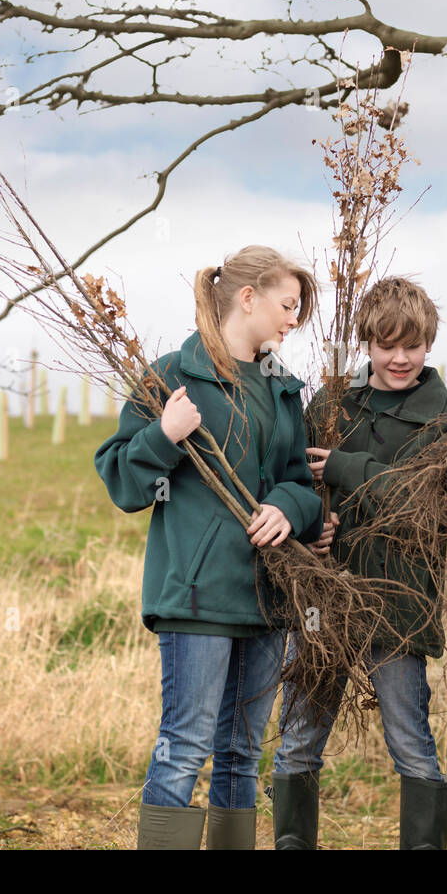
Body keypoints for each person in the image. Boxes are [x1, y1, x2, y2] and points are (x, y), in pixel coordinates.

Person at [93, 245, 325, 850]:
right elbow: (122, 480)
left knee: (242, 755)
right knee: (185, 747)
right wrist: (163, 436)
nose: (293, 319)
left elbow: (301, 483)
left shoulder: (282, 390)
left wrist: (288, 510)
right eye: (287, 304)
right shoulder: (171, 374)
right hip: (196, 598)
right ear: (248, 298)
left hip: (267, 598)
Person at [270, 276, 447, 850]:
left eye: (412, 345)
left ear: (428, 343)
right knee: (300, 737)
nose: (399, 358)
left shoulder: (446, 416)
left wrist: (345, 468)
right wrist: (313, 533)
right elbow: (296, 486)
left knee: (409, 738)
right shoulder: (332, 404)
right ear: (366, 344)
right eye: (386, 345)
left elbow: (430, 505)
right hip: (323, 600)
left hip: (399, 602)